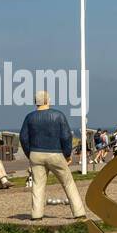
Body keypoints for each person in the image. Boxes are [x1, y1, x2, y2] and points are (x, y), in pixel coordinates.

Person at [20, 91, 86, 220]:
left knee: (38, 185)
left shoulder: (29, 117)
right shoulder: (58, 115)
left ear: (35, 102)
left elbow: (23, 137)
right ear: (47, 101)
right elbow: (66, 136)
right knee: (68, 182)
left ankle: (36, 214)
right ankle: (79, 212)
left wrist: (30, 154)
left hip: (36, 153)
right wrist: (67, 154)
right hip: (55, 153)